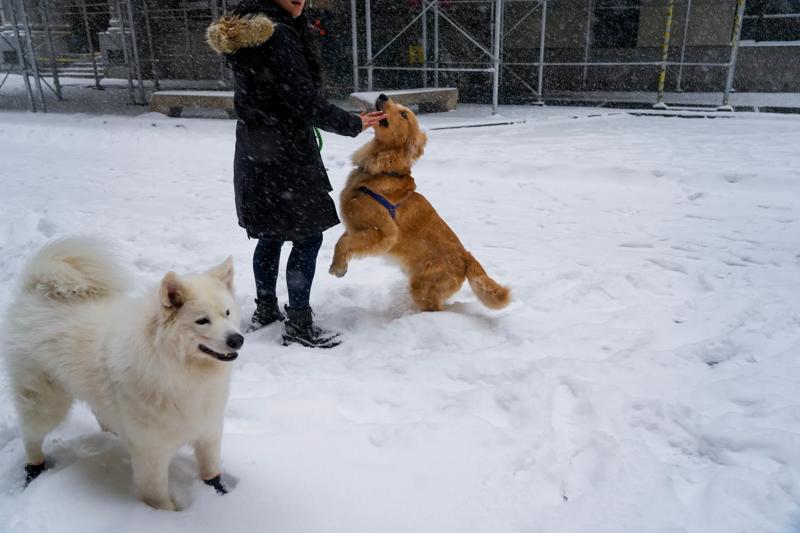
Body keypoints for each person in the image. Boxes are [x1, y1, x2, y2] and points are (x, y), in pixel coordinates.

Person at [207, 0, 385, 348]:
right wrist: (352, 123)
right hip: (285, 151)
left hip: (254, 146)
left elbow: (275, 95)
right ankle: (299, 324)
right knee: (307, 236)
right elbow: (301, 99)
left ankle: (266, 310)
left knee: (270, 234)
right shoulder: (279, 35)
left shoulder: (246, 30)